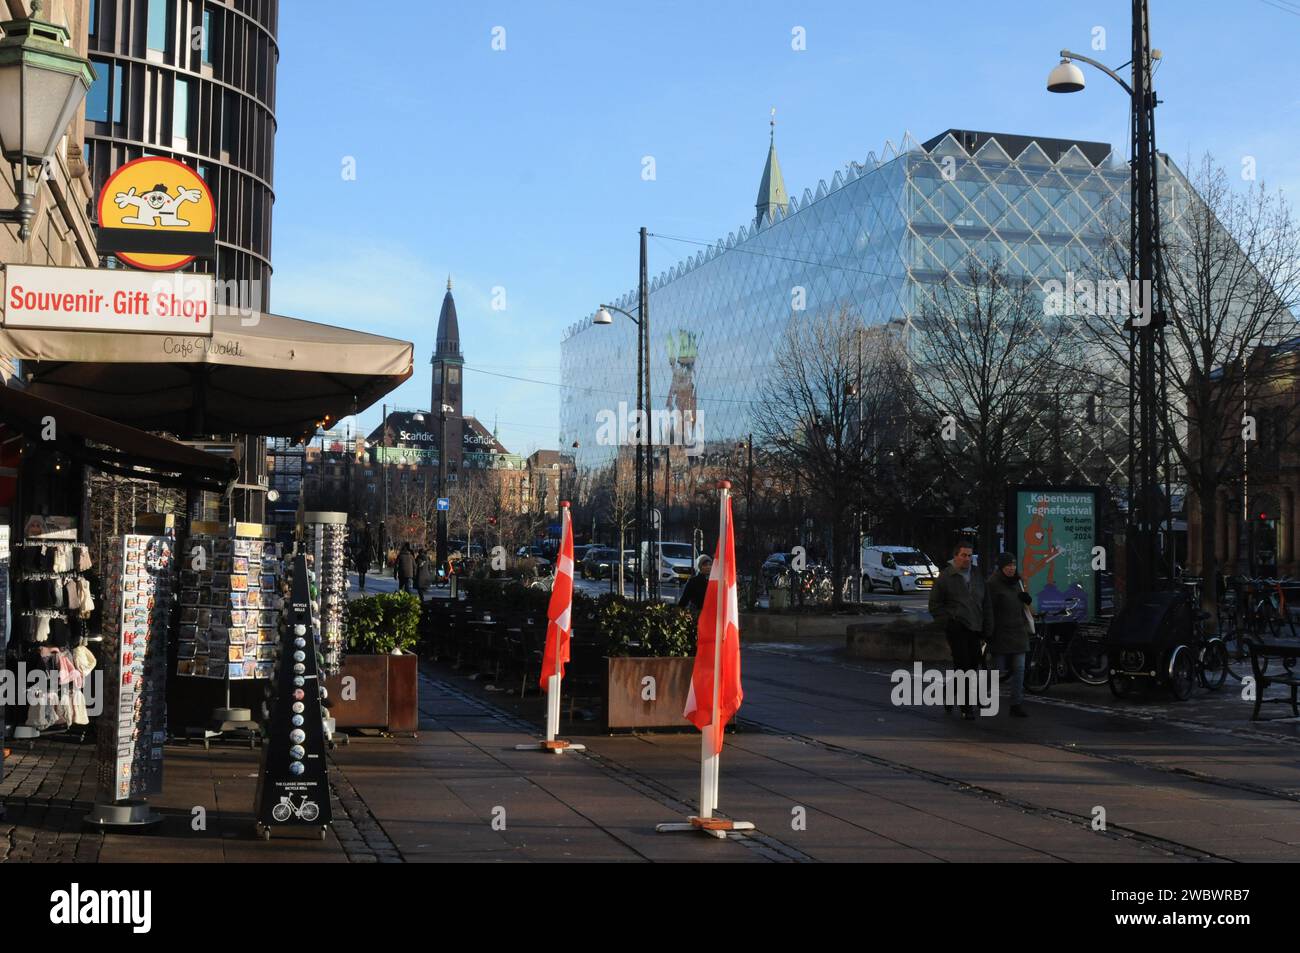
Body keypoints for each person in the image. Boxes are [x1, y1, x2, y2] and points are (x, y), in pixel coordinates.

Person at [927, 540, 987, 719]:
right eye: (963, 555)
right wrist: (948, 620)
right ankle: (965, 706)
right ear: (956, 556)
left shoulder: (977, 575)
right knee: (963, 665)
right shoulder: (946, 576)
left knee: (973, 664)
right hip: (957, 627)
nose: (967, 559)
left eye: (969, 555)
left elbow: (986, 602)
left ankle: (948, 692)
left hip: (975, 626)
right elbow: (935, 604)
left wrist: (987, 626)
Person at [983, 552, 1034, 718]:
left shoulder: (1017, 581)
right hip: (1001, 633)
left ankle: (1016, 704)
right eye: (1008, 566)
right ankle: (984, 696)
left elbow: (1025, 605)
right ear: (1001, 567)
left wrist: (1027, 599)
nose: (1012, 569)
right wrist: (989, 631)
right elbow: (988, 609)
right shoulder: (993, 584)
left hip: (1018, 631)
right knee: (997, 670)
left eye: (1013, 565)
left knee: (1019, 669)